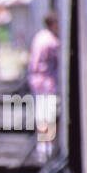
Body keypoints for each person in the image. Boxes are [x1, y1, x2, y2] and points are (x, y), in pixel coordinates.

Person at [28, 11, 60, 160]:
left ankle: (42, 148)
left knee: (41, 114)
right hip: (47, 82)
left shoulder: (39, 36)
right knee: (50, 115)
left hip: (36, 80)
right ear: (53, 24)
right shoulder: (51, 41)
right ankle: (48, 149)